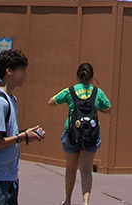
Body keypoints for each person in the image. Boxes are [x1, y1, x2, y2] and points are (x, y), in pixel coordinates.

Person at [0, 49, 44, 205]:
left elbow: (8, 135)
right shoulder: (0, 103)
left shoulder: (11, 99)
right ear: (9, 71)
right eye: (21, 70)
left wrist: (25, 134)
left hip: (10, 176)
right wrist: (21, 137)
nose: (24, 75)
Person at [48, 62, 112, 205]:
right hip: (91, 134)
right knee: (86, 170)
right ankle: (85, 201)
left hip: (71, 134)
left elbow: (51, 101)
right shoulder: (97, 92)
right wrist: (96, 108)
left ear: (77, 75)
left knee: (71, 169)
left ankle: (68, 200)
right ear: (92, 76)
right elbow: (108, 108)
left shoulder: (70, 91)